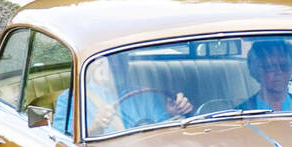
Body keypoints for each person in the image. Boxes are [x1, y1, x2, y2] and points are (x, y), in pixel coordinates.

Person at [53, 57, 192, 136]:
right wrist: (95, 127)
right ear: (97, 64)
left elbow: (166, 133)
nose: (118, 65)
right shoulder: (71, 99)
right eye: (110, 60)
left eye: (121, 59)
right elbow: (62, 143)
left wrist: (173, 113)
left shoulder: (146, 95)